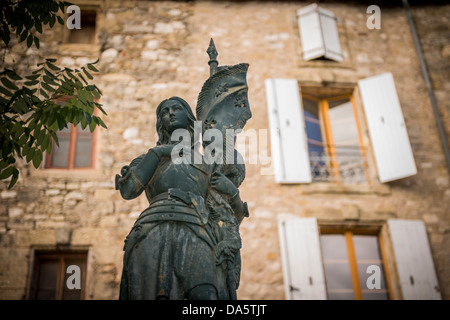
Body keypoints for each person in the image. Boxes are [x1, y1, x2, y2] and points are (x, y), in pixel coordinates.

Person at [116, 97, 219, 300]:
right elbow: (128, 190)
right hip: (151, 229)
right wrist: (160, 152)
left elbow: (220, 204)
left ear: (188, 118)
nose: (170, 113)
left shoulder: (206, 163)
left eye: (176, 108)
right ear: (160, 122)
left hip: (196, 230)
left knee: (206, 294)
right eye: (164, 111)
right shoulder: (149, 158)